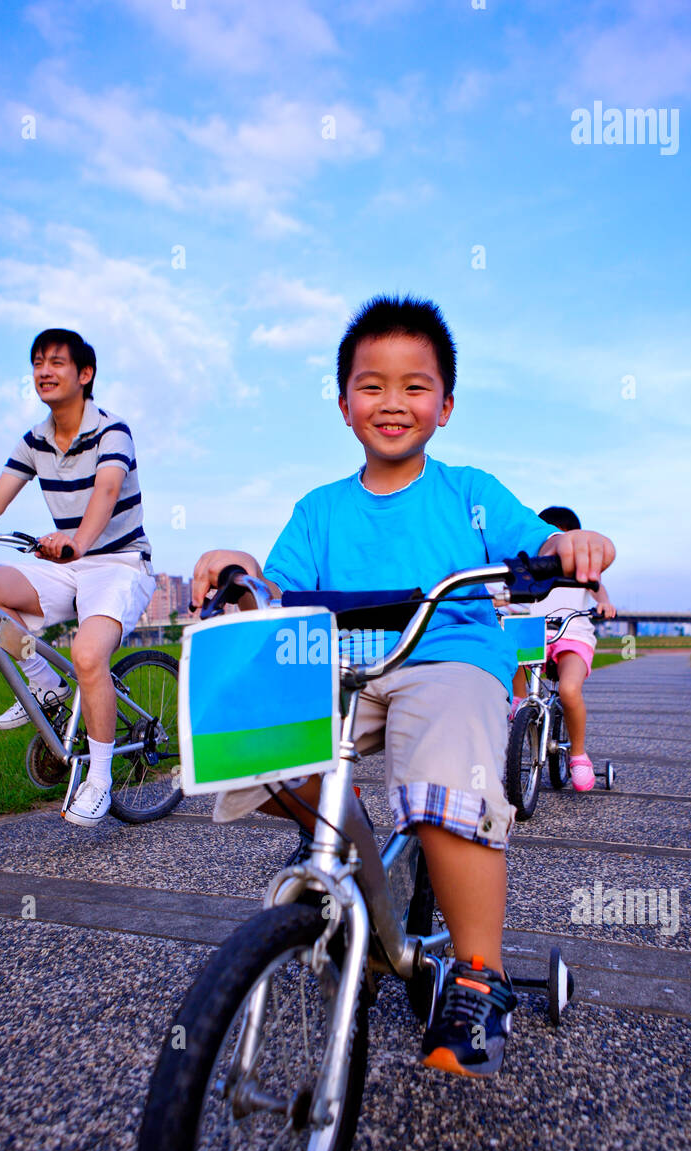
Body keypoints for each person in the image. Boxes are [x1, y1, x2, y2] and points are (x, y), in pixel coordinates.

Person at [191, 295, 615, 1079]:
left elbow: (537, 540)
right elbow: (274, 588)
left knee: (448, 771)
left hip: (446, 657)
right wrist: (232, 564)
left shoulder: (468, 493)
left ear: (445, 406)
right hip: (343, 664)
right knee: (256, 755)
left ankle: (479, 975)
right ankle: (345, 848)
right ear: (344, 404)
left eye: (415, 386)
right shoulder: (319, 510)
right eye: (372, 385)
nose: (393, 402)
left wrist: (571, 544)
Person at [0, 329, 155, 826]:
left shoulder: (112, 431)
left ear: (85, 374)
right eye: (38, 362)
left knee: (87, 654)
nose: (44, 371)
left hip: (119, 564)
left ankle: (99, 779)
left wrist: (78, 541)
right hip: (67, 564)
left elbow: (107, 491)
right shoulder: (35, 440)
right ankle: (46, 685)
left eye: (57, 362)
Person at [508, 505, 616, 791]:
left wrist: (604, 603)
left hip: (572, 634)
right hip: (536, 632)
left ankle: (578, 755)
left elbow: (597, 589)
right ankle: (519, 699)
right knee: (511, 642)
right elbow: (512, 595)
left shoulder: (583, 569)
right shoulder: (530, 568)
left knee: (568, 690)